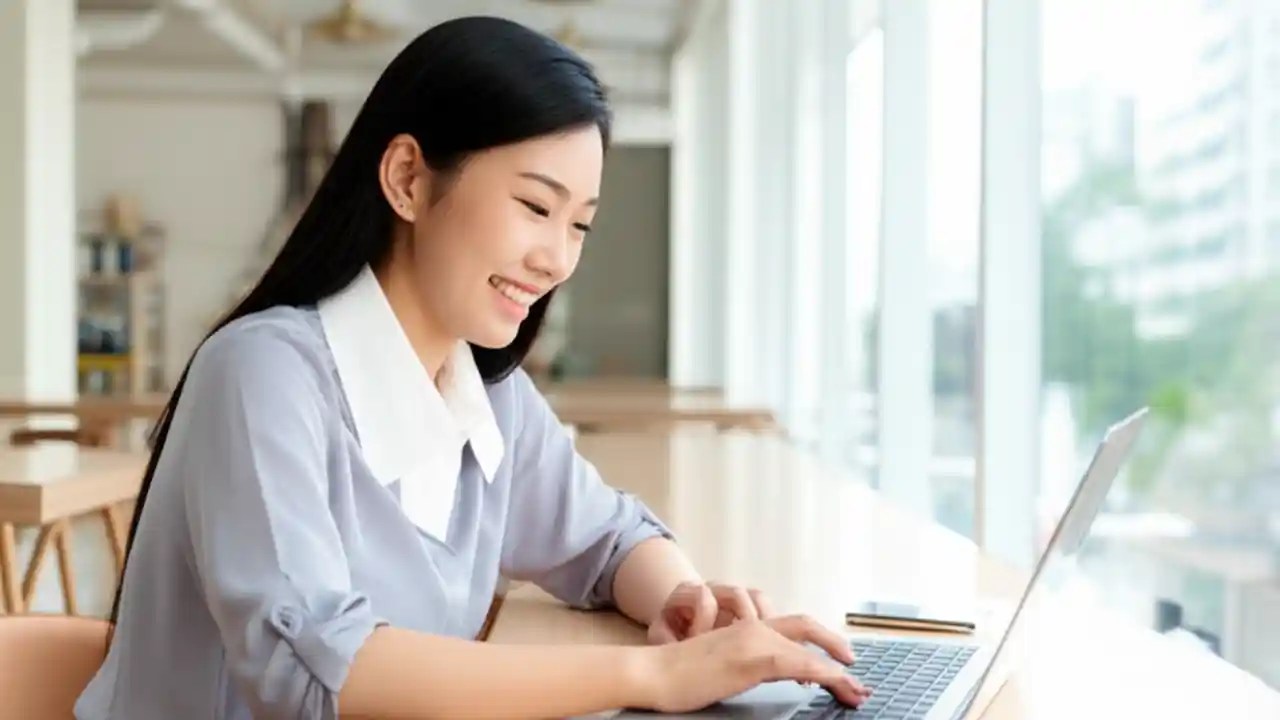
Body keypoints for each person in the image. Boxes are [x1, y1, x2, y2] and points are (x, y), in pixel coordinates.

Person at [75, 16, 870, 720]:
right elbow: (314, 675)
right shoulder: (261, 374)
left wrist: (690, 606)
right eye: (534, 206)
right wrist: (651, 675)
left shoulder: (486, 395)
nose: (557, 258)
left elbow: (607, 540)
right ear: (408, 179)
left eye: (579, 224)